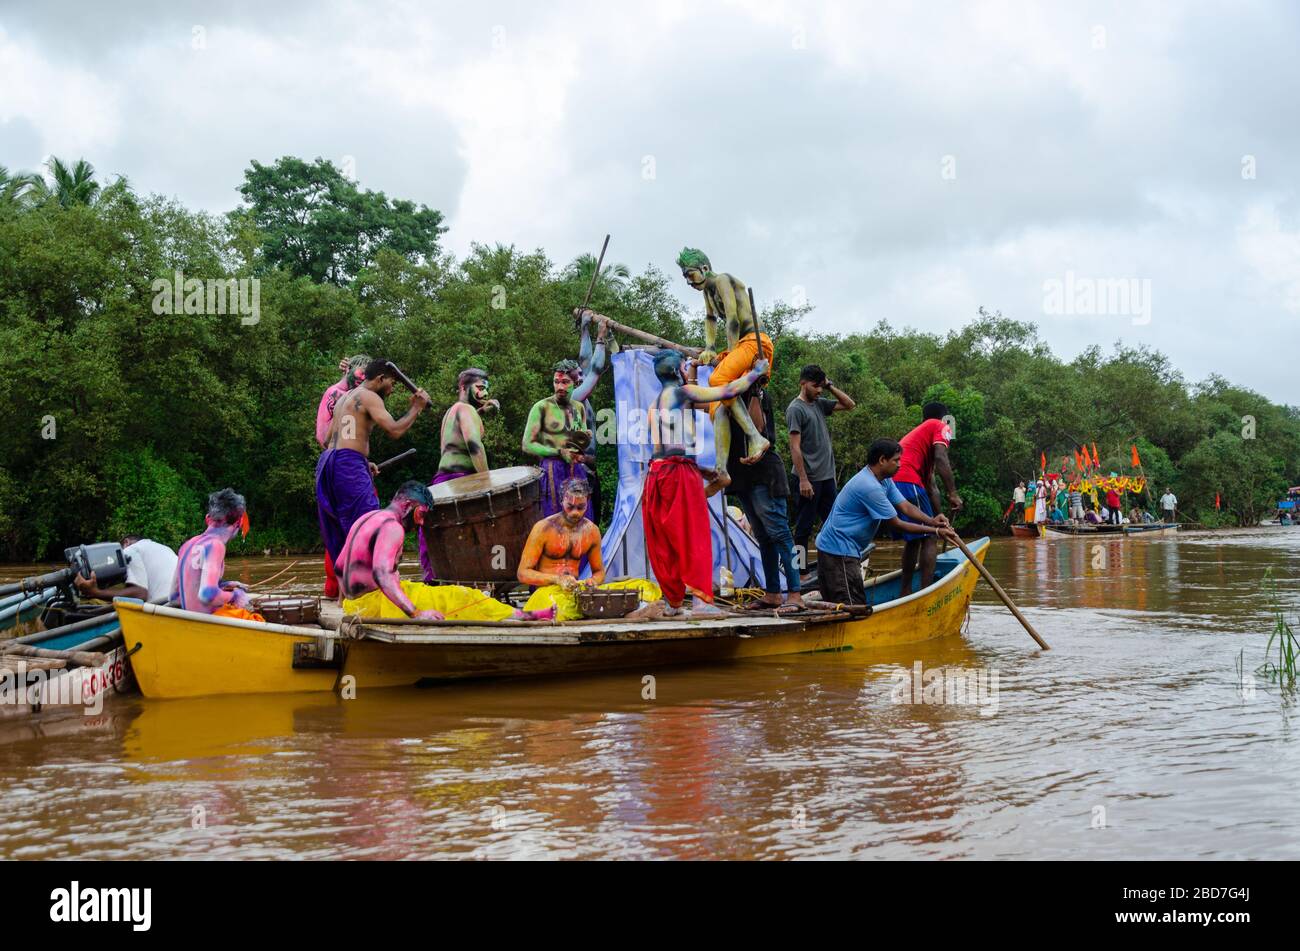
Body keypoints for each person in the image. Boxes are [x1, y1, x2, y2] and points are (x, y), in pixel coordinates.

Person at [643, 348, 766, 616]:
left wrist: (700, 469)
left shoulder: (654, 404)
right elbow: (726, 393)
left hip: (657, 474)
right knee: (693, 535)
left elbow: (666, 449)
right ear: (677, 372)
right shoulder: (683, 392)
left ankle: (673, 602)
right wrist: (756, 372)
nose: (688, 371)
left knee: (665, 540)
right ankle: (701, 602)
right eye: (685, 367)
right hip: (677, 473)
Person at [339, 481, 554, 622]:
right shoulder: (392, 528)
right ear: (407, 505)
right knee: (462, 595)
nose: (422, 522)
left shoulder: (368, 518)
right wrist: (416, 614)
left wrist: (348, 603)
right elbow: (382, 574)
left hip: (355, 605)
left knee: (441, 594)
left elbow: (340, 566)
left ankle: (515, 615)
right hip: (377, 606)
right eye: (421, 513)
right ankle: (525, 616)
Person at [317, 359, 430, 593]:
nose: (392, 388)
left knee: (342, 529)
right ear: (380, 379)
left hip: (328, 462)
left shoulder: (345, 398)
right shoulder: (370, 396)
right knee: (368, 526)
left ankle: (346, 594)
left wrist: (360, 460)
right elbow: (395, 430)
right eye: (391, 383)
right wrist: (416, 408)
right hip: (346, 464)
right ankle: (371, 590)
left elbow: (329, 439)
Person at [815, 439, 957, 606]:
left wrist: (932, 521)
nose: (900, 464)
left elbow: (906, 506)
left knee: (845, 605)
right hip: (838, 552)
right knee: (851, 607)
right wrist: (936, 532)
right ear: (882, 460)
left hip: (839, 550)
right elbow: (896, 523)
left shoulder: (884, 480)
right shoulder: (869, 486)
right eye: (896, 460)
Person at [675, 247, 771, 495]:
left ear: (705, 268)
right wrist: (708, 347)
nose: (688, 281)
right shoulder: (707, 291)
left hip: (752, 342)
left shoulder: (722, 280)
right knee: (718, 405)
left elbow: (732, 320)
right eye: (685, 276)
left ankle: (756, 437)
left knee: (718, 379)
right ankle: (721, 470)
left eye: (690, 274)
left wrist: (729, 353)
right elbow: (710, 319)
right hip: (738, 347)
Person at [516, 479, 660, 620]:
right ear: (561, 501)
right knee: (554, 608)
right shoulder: (543, 528)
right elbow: (523, 574)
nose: (575, 513)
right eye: (570, 506)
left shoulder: (591, 531)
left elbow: (598, 572)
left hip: (579, 590)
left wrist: (592, 582)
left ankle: (634, 610)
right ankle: (627, 612)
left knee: (644, 586)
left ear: (588, 502)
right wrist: (557, 579)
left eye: (580, 507)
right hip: (548, 592)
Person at [418, 367, 499, 581]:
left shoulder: (452, 411)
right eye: (480, 388)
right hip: (459, 481)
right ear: (463, 387)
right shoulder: (466, 410)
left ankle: (435, 582)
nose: (485, 393)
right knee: (466, 537)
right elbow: (474, 445)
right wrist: (487, 481)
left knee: (439, 537)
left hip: (441, 481)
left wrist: (482, 412)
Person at [732, 387, 804, 612]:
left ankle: (795, 592)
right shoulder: (728, 393)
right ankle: (773, 593)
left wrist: (754, 390)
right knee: (763, 538)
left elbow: (758, 427)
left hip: (765, 474)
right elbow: (701, 405)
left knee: (781, 535)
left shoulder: (758, 393)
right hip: (743, 476)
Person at [787, 364, 855, 561]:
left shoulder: (819, 403)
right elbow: (794, 447)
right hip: (808, 479)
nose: (818, 390)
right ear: (803, 383)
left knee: (833, 523)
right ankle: (797, 569)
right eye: (815, 386)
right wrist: (803, 479)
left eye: (820, 386)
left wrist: (830, 386)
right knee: (802, 528)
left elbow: (849, 405)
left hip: (827, 478)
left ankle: (836, 560)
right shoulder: (795, 409)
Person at [894, 403, 962, 596]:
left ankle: (905, 591)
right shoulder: (940, 426)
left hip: (894, 482)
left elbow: (931, 487)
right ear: (944, 419)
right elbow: (942, 458)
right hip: (907, 480)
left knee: (914, 539)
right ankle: (926, 592)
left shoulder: (920, 437)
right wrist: (953, 493)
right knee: (931, 536)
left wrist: (939, 515)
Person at [173, 489, 262, 620]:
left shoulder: (187, 545)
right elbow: (207, 594)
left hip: (190, 620)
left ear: (208, 518)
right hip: (207, 623)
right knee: (259, 619)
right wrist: (236, 596)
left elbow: (174, 597)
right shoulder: (216, 545)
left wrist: (223, 586)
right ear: (238, 522)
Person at [522, 359, 594, 520]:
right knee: (554, 519)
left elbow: (578, 442)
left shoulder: (579, 408)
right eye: (556, 382)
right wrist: (558, 452)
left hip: (576, 469)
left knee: (581, 518)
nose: (560, 387)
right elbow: (527, 445)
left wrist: (585, 437)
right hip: (551, 470)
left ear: (575, 383)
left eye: (566, 382)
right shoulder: (542, 407)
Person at [74, 535, 178, 603]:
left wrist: (95, 592)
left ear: (126, 542)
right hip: (182, 606)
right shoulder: (165, 549)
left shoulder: (129, 550)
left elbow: (140, 594)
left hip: (164, 611)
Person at [316, 354, 371, 448]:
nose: (363, 378)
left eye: (365, 377)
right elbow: (322, 435)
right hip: (338, 455)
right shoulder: (335, 393)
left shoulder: (355, 396)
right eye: (362, 373)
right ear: (348, 368)